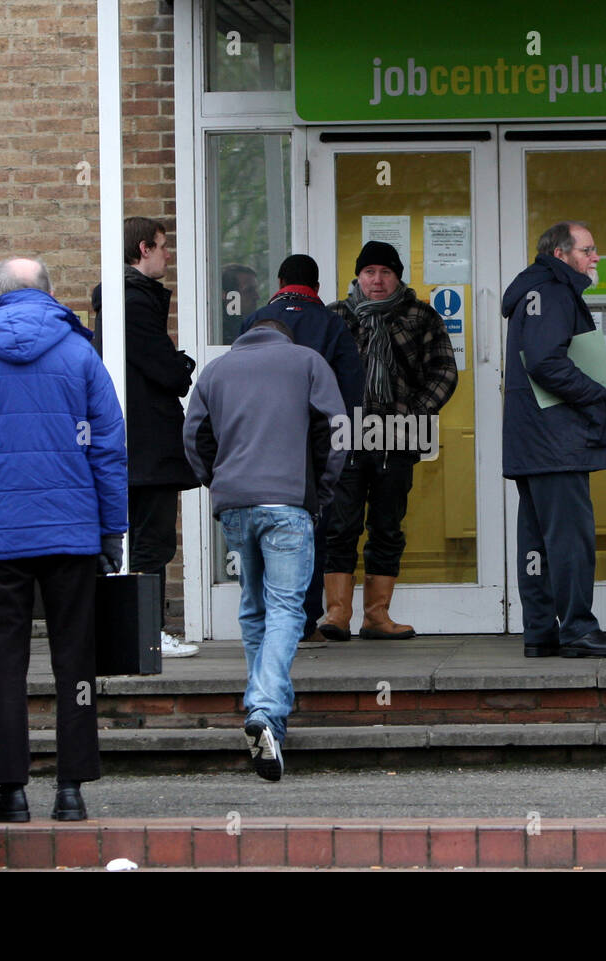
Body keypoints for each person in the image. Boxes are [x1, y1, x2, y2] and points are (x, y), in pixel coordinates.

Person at [0, 258, 128, 821]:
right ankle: (71, 791)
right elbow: (108, 447)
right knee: (74, 660)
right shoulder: (79, 351)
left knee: (6, 663)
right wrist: (110, 528)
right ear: (50, 293)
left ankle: (10, 793)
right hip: (71, 530)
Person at [183, 318, 346, 780]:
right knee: (287, 610)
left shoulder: (216, 371)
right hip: (288, 505)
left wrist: (217, 480)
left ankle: (269, 721)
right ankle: (264, 709)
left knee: (255, 609)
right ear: (283, 336)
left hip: (236, 505)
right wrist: (321, 489)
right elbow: (335, 432)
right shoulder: (307, 362)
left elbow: (195, 437)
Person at [502, 221, 606, 658]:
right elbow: (545, 362)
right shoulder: (556, 292)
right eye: (588, 250)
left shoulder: (535, 291)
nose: (595, 257)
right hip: (555, 441)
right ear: (560, 255)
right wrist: (594, 394)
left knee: (537, 539)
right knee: (570, 538)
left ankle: (540, 632)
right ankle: (578, 628)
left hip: (534, 442)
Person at [321, 241, 458, 640]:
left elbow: (444, 373)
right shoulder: (337, 316)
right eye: (369, 272)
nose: (377, 280)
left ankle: (377, 617)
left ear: (398, 277)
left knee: (386, 527)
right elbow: (316, 374)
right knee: (340, 527)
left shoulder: (421, 316)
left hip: (397, 440)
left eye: (385, 272)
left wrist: (412, 413)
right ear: (358, 277)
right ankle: (337, 615)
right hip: (345, 440)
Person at [239, 253, 365, 648]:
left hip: (256, 443)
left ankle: (261, 621)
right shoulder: (331, 324)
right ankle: (304, 621)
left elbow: (234, 379)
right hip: (310, 447)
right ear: (318, 288)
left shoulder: (254, 321)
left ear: (279, 282)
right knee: (311, 531)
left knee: (257, 535)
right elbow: (351, 389)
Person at [91, 216, 200, 658]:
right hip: (145, 445)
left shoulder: (127, 300)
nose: (167, 254)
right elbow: (169, 371)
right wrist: (184, 365)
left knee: (139, 538)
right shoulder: (132, 304)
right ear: (142, 249)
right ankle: (148, 634)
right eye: (162, 245)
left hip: (136, 444)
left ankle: (137, 632)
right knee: (151, 541)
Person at [220, 263, 260, 345]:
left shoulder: (252, 324)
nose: (256, 296)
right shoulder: (216, 332)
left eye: (255, 290)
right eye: (249, 291)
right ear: (227, 295)